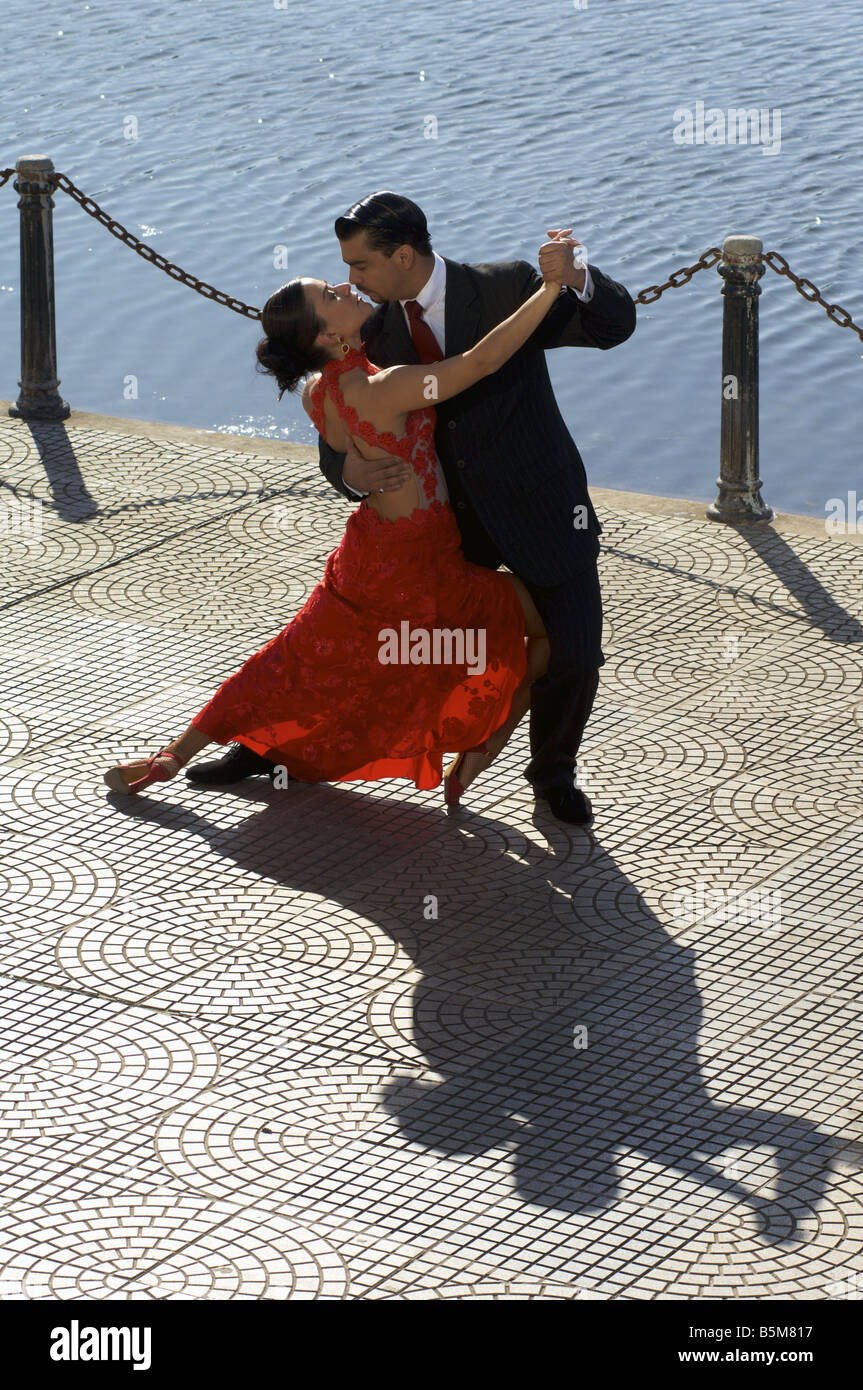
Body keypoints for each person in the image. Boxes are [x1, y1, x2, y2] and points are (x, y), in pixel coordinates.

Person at [195, 192, 636, 823]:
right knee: (369, 650)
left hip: (539, 504)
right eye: (344, 270)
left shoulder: (508, 285)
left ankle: (552, 775)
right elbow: (339, 426)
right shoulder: (369, 327)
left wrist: (578, 277)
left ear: (402, 255)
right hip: (442, 530)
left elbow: (611, 329)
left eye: (360, 265)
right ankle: (271, 744)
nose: (351, 280)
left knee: (574, 650)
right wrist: (346, 471)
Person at [103, 251, 562, 802]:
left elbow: (346, 441)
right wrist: (551, 289)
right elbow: (481, 362)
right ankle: (476, 755)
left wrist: (350, 467)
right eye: (331, 296)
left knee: (292, 659)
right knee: (546, 637)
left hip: (366, 561)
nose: (346, 289)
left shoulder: (317, 394)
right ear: (326, 335)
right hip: (420, 568)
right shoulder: (385, 387)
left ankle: (172, 755)